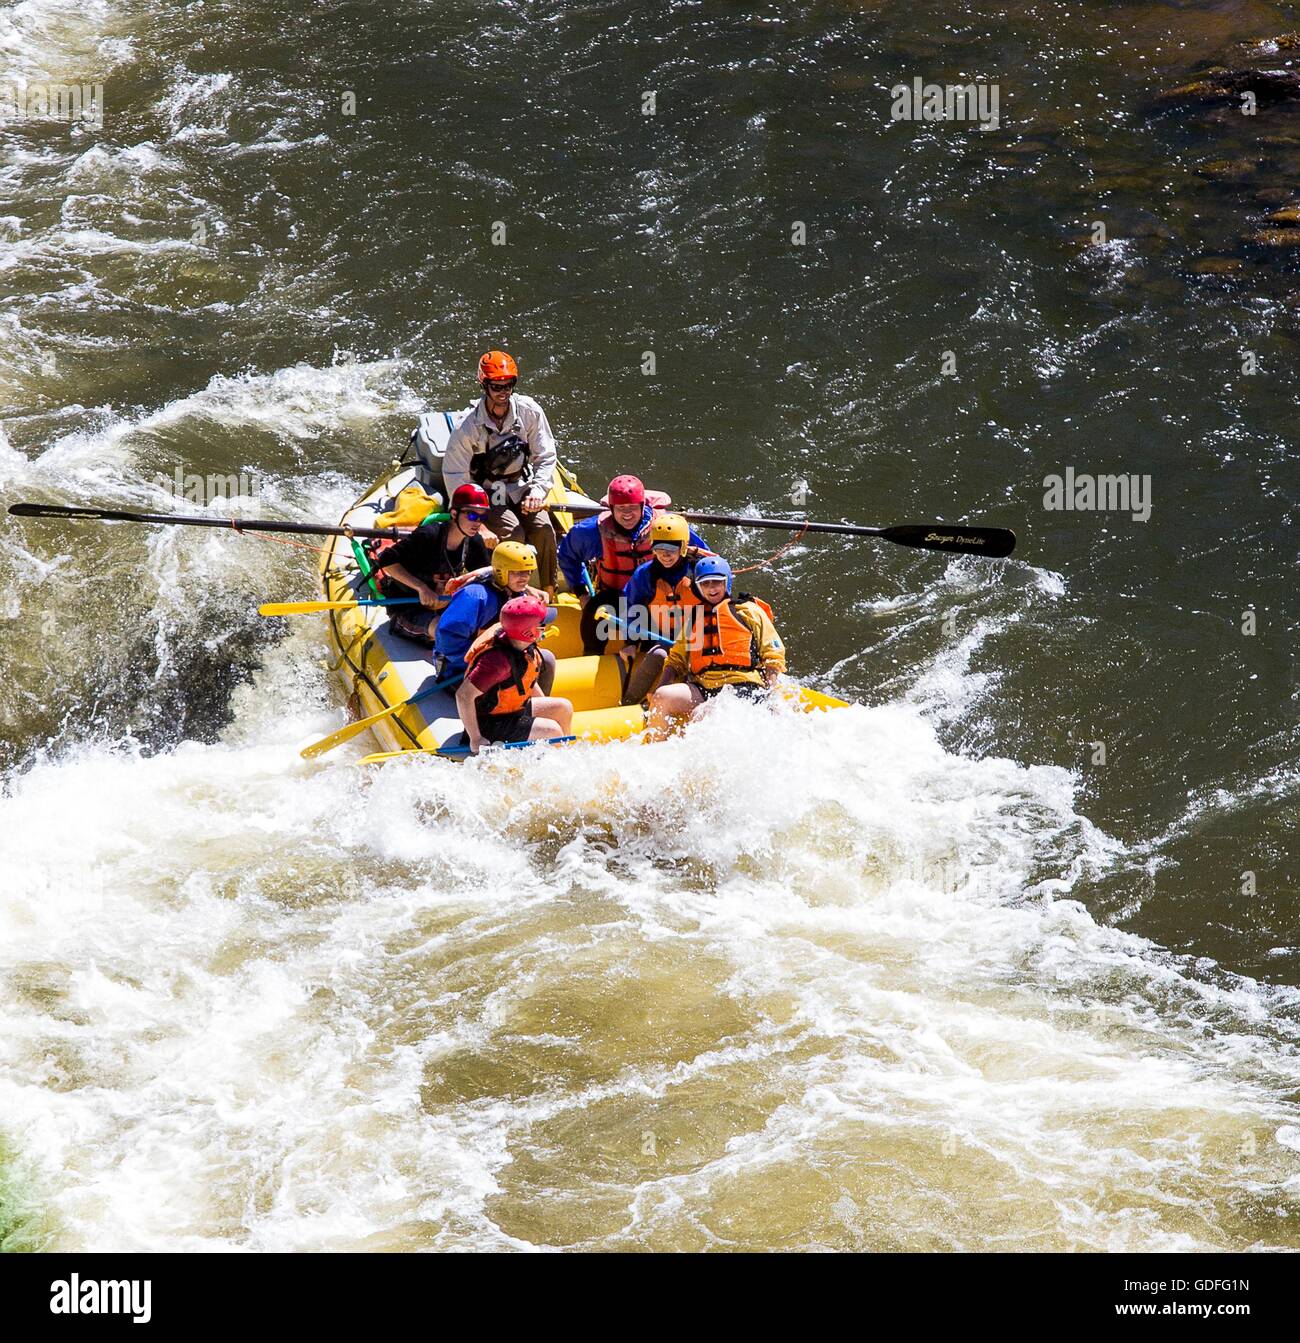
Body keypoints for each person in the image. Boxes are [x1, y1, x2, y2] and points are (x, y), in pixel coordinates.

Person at [441, 351, 559, 596]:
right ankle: (510, 592)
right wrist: (476, 520)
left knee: (544, 528)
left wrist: (537, 491)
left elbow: (546, 456)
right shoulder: (468, 426)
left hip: (520, 486)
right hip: (487, 493)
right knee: (513, 532)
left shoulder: (530, 412)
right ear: (484, 385)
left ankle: (549, 590)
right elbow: (455, 476)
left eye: (509, 385)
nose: (503, 392)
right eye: (497, 387)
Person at [646, 556, 786, 739]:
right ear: (698, 587)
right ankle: (656, 752)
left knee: (701, 714)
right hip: (704, 687)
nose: (712, 588)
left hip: (742, 686)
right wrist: (658, 688)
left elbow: (773, 655)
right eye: (705, 584)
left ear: (726, 582)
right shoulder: (694, 617)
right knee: (662, 696)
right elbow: (676, 660)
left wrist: (773, 696)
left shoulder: (748, 610)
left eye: (717, 582)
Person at [557, 475, 696, 655]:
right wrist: (581, 592)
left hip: (659, 598)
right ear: (612, 508)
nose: (627, 514)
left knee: (652, 637)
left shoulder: (666, 527)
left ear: (642, 506)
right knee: (594, 609)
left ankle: (654, 655)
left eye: (632, 508)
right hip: (616, 596)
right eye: (621, 508)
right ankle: (592, 655)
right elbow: (568, 555)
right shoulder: (592, 531)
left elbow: (702, 558)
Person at [377, 483, 494, 645]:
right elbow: (386, 560)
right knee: (445, 629)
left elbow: (486, 575)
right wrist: (421, 588)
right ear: (454, 513)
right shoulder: (429, 535)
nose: (477, 522)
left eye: (483, 517)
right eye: (472, 516)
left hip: (443, 606)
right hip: (408, 607)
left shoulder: (473, 540)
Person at [455, 595, 574, 755]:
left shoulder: (523, 644)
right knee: (552, 731)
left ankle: (565, 755)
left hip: (511, 710)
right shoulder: (497, 663)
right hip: (489, 724)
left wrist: (545, 709)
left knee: (563, 707)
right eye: (542, 624)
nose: (545, 626)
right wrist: (475, 738)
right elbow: (463, 696)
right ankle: (551, 765)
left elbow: (526, 679)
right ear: (528, 632)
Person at [432, 540, 556, 691]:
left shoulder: (518, 593)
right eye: (518, 572)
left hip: (500, 660)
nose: (525, 577)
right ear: (501, 572)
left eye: (528, 571)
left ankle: (529, 705)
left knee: (546, 659)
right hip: (460, 670)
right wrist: (488, 660)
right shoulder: (474, 597)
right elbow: (446, 640)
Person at [618, 512, 712, 705]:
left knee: (691, 663)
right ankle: (629, 702)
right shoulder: (645, 574)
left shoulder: (700, 571)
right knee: (659, 654)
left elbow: (719, 603)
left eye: (671, 548)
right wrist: (629, 641)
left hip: (699, 638)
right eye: (659, 548)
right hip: (662, 636)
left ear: (683, 547)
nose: (665, 555)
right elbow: (632, 607)